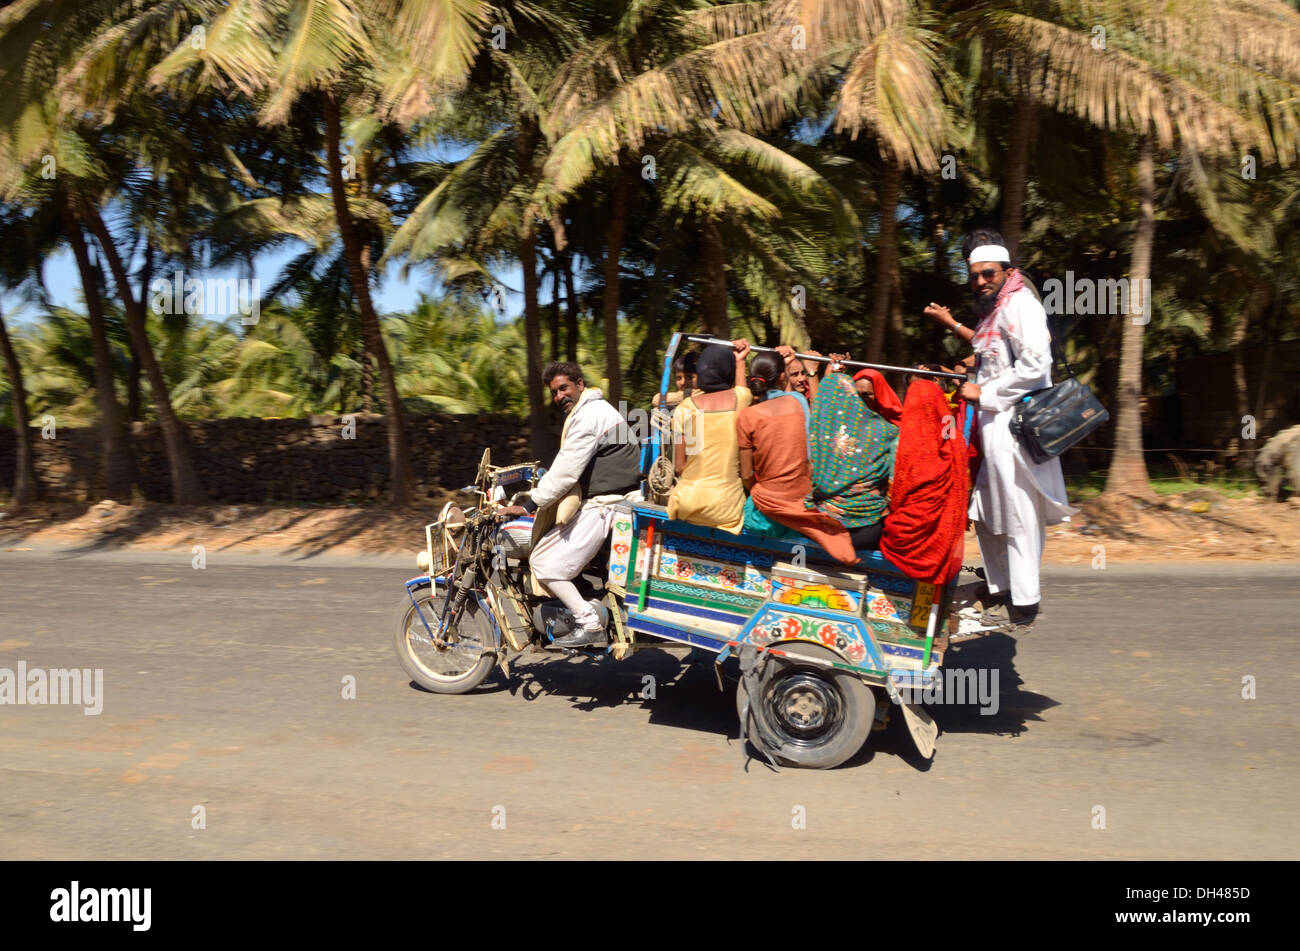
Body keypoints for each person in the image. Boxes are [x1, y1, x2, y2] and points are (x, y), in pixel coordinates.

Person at [923, 229, 1076, 629]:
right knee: (989, 511)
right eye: (974, 275)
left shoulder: (1020, 305)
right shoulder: (993, 310)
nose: (980, 281)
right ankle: (1001, 585)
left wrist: (984, 392)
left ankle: (1026, 599)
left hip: (1015, 426)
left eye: (988, 273)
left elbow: (1035, 368)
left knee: (1019, 510)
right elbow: (994, 360)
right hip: (991, 427)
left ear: (1007, 271)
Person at [497, 362, 642, 648]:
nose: (559, 396)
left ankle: (590, 622)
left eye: (564, 388)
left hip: (608, 505)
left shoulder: (590, 414)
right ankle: (584, 599)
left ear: (579, 383)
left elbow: (566, 471)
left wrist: (528, 504)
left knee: (543, 561)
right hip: (609, 501)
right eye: (554, 392)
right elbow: (567, 464)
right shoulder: (593, 410)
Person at [736, 352, 858, 565]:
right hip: (802, 506)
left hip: (764, 515)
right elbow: (812, 454)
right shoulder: (798, 401)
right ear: (783, 377)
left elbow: (746, 474)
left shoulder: (747, 415)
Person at [809, 367, 901, 551]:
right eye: (855, 394)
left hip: (832, 524)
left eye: (867, 395)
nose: (858, 400)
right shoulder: (829, 426)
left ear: (879, 396)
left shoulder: (889, 432)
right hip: (863, 525)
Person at [667, 339, 752, 533]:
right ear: (727, 372)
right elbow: (741, 388)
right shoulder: (740, 400)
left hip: (686, 503)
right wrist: (740, 360)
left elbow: (680, 467)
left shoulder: (685, 408)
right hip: (726, 508)